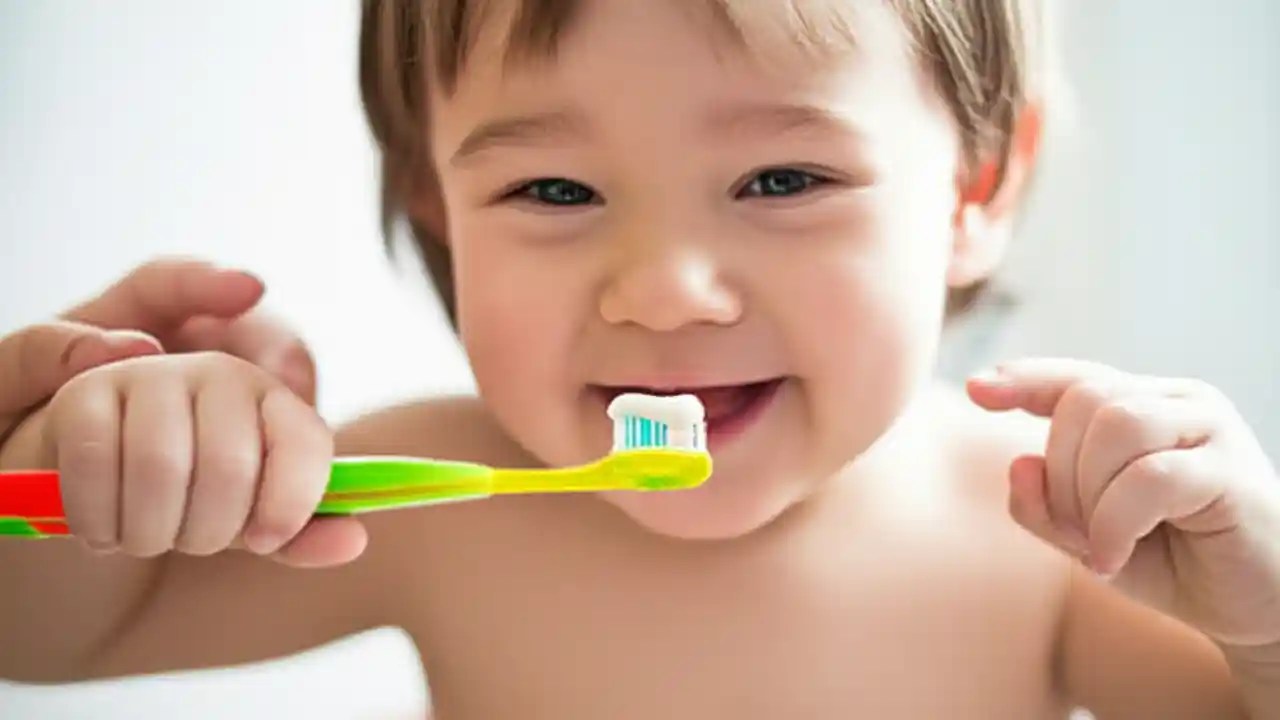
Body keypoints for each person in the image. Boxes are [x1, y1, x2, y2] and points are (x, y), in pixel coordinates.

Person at [2, 1, 1278, 716]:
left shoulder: (1037, 526)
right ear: (438, 203)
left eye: (783, 177)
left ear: (972, 189)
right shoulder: (426, 494)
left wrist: (1261, 613)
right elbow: (49, 642)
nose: (663, 294)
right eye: (554, 187)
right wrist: (87, 475)